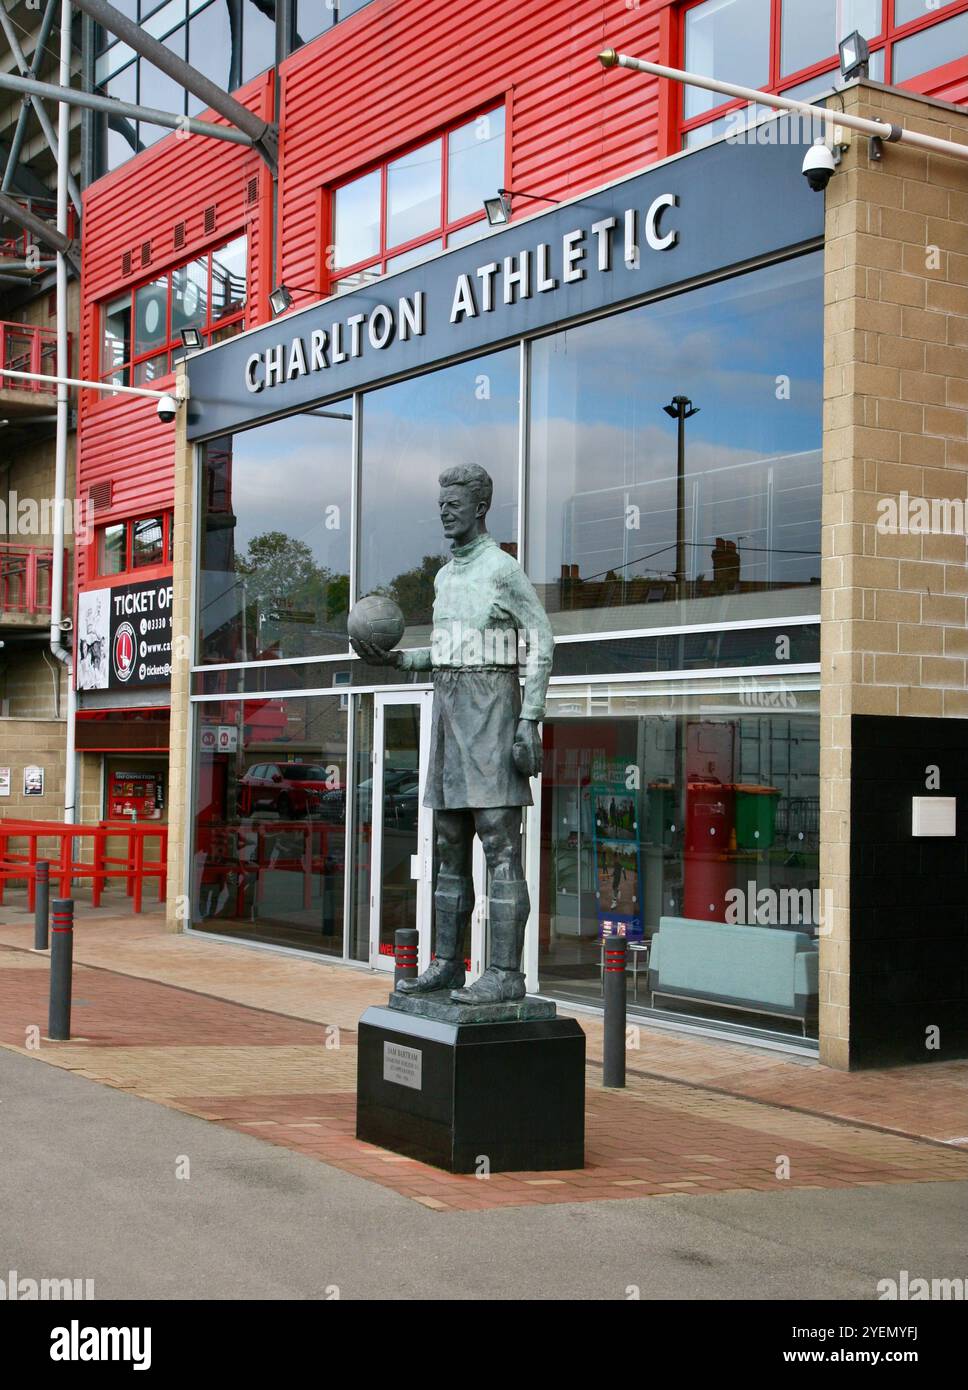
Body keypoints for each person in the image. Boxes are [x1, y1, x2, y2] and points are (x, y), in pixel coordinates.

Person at [349, 463, 552, 1003]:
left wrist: (530, 719)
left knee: (500, 842)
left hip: (493, 710)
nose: (445, 510)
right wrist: (395, 661)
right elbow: (443, 656)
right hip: (448, 710)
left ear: (480, 507)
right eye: (441, 502)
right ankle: (446, 963)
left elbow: (543, 642)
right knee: (446, 843)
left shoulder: (503, 570)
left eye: (455, 502)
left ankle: (506, 972)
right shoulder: (443, 577)